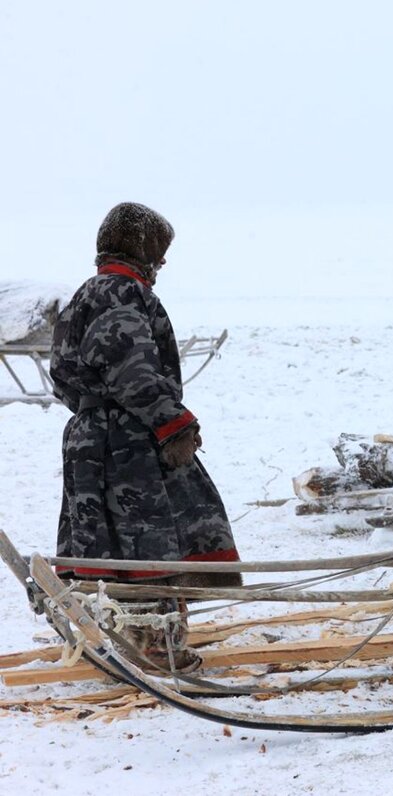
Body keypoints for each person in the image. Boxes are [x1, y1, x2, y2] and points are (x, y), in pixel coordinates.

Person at [50, 202, 241, 672]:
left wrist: (94, 417)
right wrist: (173, 422)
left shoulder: (84, 295)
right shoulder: (123, 293)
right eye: (160, 250)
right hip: (128, 443)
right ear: (143, 247)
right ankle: (158, 648)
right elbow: (130, 366)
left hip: (94, 437)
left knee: (110, 544)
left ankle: (126, 636)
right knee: (152, 541)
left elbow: (63, 377)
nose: (163, 262)